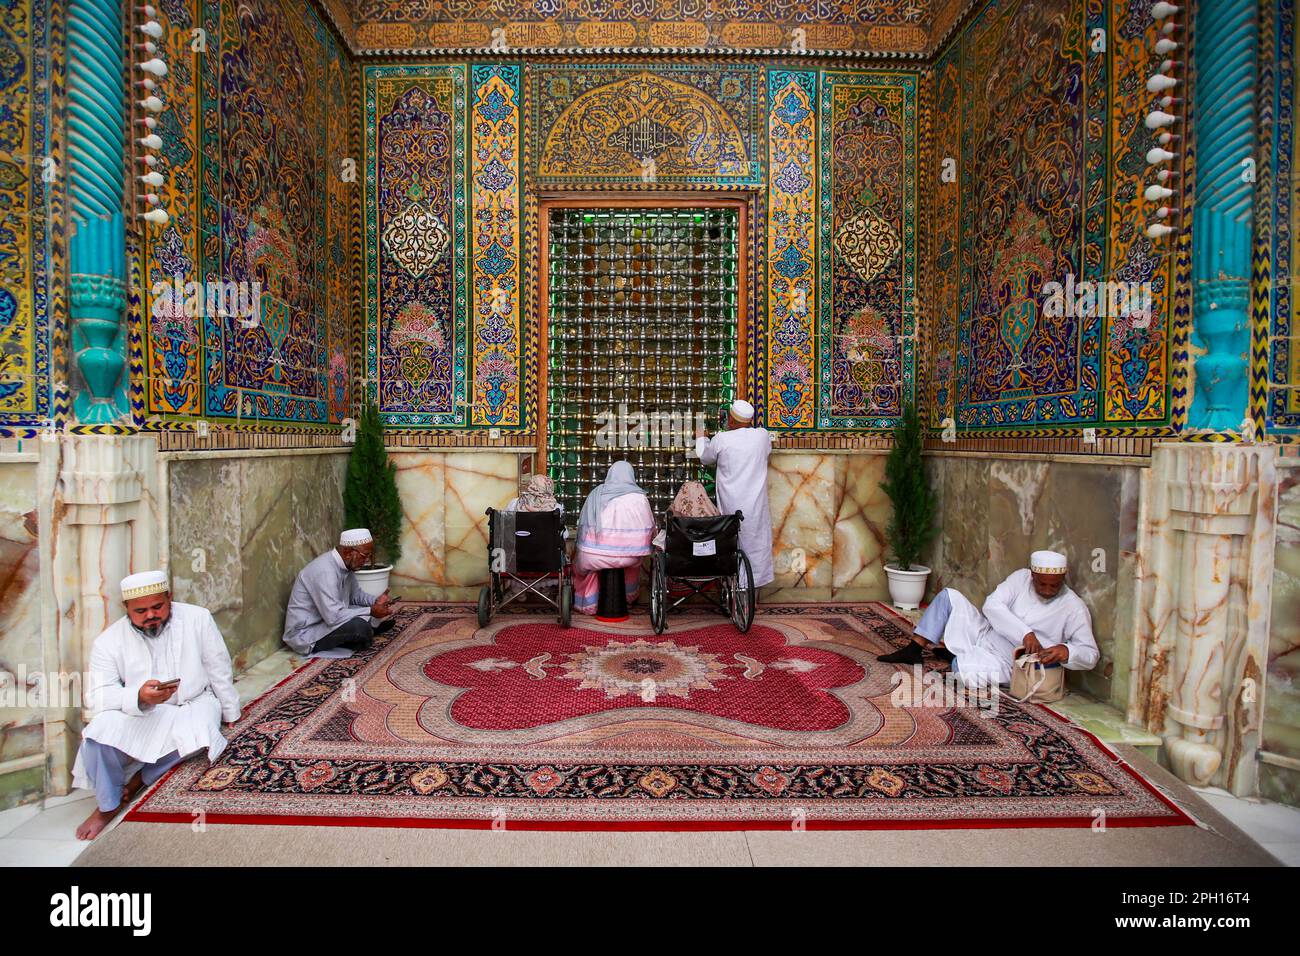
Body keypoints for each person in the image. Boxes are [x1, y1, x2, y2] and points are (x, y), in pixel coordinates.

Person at [73, 571, 241, 840]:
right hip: (144, 711)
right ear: (126, 608)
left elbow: (217, 665)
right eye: (140, 611)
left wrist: (230, 710)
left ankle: (137, 782)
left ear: (169, 598)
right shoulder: (108, 641)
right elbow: (97, 696)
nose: (151, 615)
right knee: (96, 736)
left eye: (157, 607)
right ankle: (108, 805)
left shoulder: (197, 618)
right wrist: (138, 697)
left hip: (193, 703)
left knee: (202, 735)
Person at [877, 550, 1100, 687]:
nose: (1048, 590)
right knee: (948, 597)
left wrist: (1067, 651)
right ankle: (913, 650)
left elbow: (1090, 654)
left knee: (961, 670)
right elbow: (991, 605)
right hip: (985, 634)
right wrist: (1025, 633)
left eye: (1055, 585)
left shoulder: (1073, 606)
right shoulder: (1021, 578)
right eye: (1042, 584)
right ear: (1032, 575)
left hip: (1009, 662)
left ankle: (957, 655)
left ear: (1063, 578)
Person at [694, 398, 775, 588]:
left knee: (733, 540)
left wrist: (701, 438)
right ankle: (752, 587)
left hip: (732, 501)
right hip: (755, 502)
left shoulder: (722, 439)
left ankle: (735, 586)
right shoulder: (762, 436)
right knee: (755, 541)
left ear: (731, 420)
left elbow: (705, 458)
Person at [283, 528, 396, 655]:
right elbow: (333, 617)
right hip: (307, 632)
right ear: (348, 552)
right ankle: (367, 632)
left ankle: (368, 631)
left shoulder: (347, 564)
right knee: (359, 627)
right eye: (364, 555)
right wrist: (370, 611)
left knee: (363, 616)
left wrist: (376, 601)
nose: (367, 561)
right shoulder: (325, 571)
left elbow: (356, 596)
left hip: (328, 619)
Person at [571, 461, 655, 614]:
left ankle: (589, 603)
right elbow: (649, 530)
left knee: (584, 565)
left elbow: (583, 526)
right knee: (635, 564)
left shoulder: (596, 494)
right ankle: (628, 597)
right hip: (629, 558)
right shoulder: (640, 497)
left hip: (592, 557)